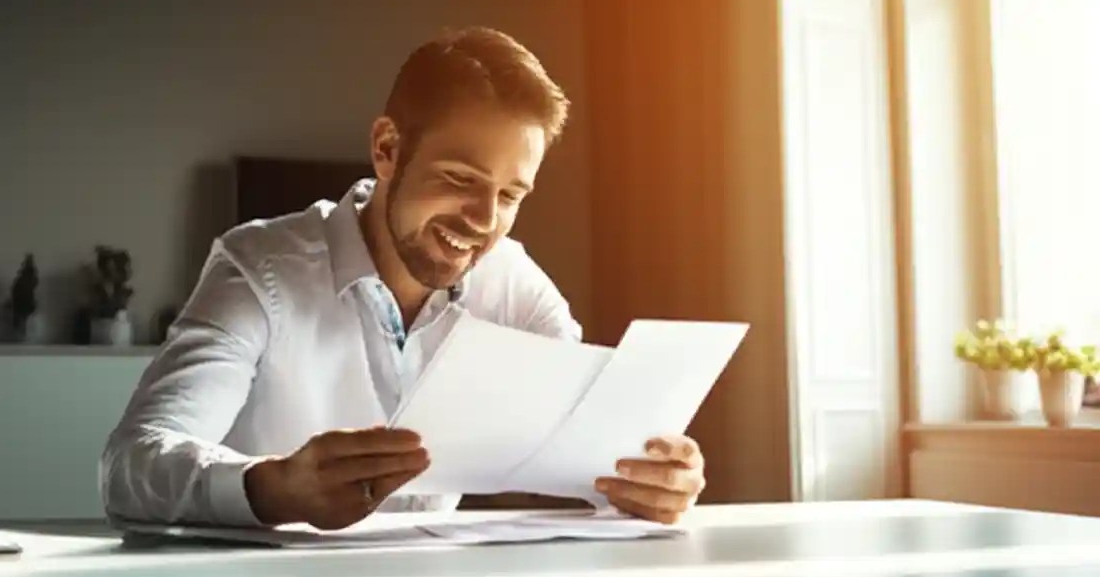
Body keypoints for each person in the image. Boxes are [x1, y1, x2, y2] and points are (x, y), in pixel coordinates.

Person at [101, 26, 706, 530]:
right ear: (387, 148)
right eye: (461, 180)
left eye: (510, 194)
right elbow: (133, 464)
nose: (484, 221)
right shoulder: (260, 269)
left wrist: (651, 479)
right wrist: (272, 488)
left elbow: (593, 446)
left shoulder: (511, 281)